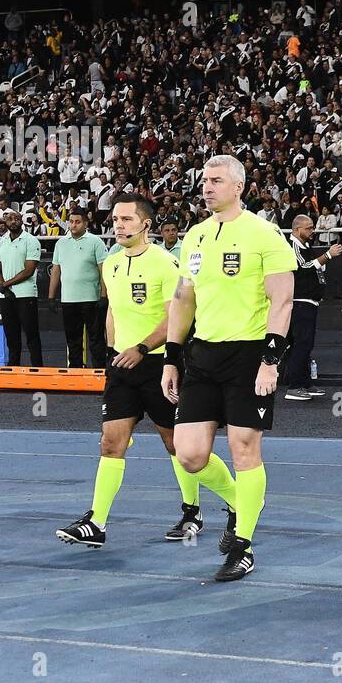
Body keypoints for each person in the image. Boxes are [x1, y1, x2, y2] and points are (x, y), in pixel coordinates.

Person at [56, 193, 229, 546]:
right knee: (110, 443)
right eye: (116, 219)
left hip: (160, 364)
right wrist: (112, 349)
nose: (118, 225)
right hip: (122, 364)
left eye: (127, 219)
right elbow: (113, 311)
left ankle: (204, 507)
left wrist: (143, 348)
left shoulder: (166, 264)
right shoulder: (111, 263)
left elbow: (177, 317)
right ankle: (97, 523)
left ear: (145, 224)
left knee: (177, 445)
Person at [161, 155, 297, 582]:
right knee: (190, 454)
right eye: (204, 180)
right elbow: (184, 300)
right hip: (203, 354)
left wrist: (270, 361)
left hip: (249, 354)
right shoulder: (195, 237)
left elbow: (283, 301)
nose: (207, 187)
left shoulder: (265, 234)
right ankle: (241, 501)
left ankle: (243, 545)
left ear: (238, 186)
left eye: (216, 180)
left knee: (243, 448)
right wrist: (171, 356)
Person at [285, 214, 342, 402]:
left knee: (305, 345)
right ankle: (294, 386)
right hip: (300, 301)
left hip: (308, 301)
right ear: (297, 230)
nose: (313, 231)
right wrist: (327, 256)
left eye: (312, 227)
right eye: (308, 228)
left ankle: (305, 382)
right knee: (301, 344)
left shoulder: (305, 246)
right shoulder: (291, 246)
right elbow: (303, 267)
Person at [49, 208, 108, 368]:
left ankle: (99, 371)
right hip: (68, 299)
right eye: (71, 221)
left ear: (85, 223)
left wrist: (104, 296)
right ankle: (75, 371)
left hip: (92, 299)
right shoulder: (61, 243)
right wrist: (51, 297)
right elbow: (56, 270)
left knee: (96, 338)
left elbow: (104, 270)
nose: (73, 225)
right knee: (72, 338)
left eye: (77, 222)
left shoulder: (96, 242)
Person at [0, 210, 43, 366]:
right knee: (11, 335)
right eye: (9, 219)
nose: (13, 221)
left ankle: (37, 368)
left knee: (31, 334)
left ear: (22, 221)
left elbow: (29, 271)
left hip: (26, 294)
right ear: (5, 222)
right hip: (6, 296)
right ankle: (13, 367)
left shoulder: (31, 241)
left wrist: (5, 285)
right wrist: (4, 288)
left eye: (16, 218)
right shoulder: (2, 242)